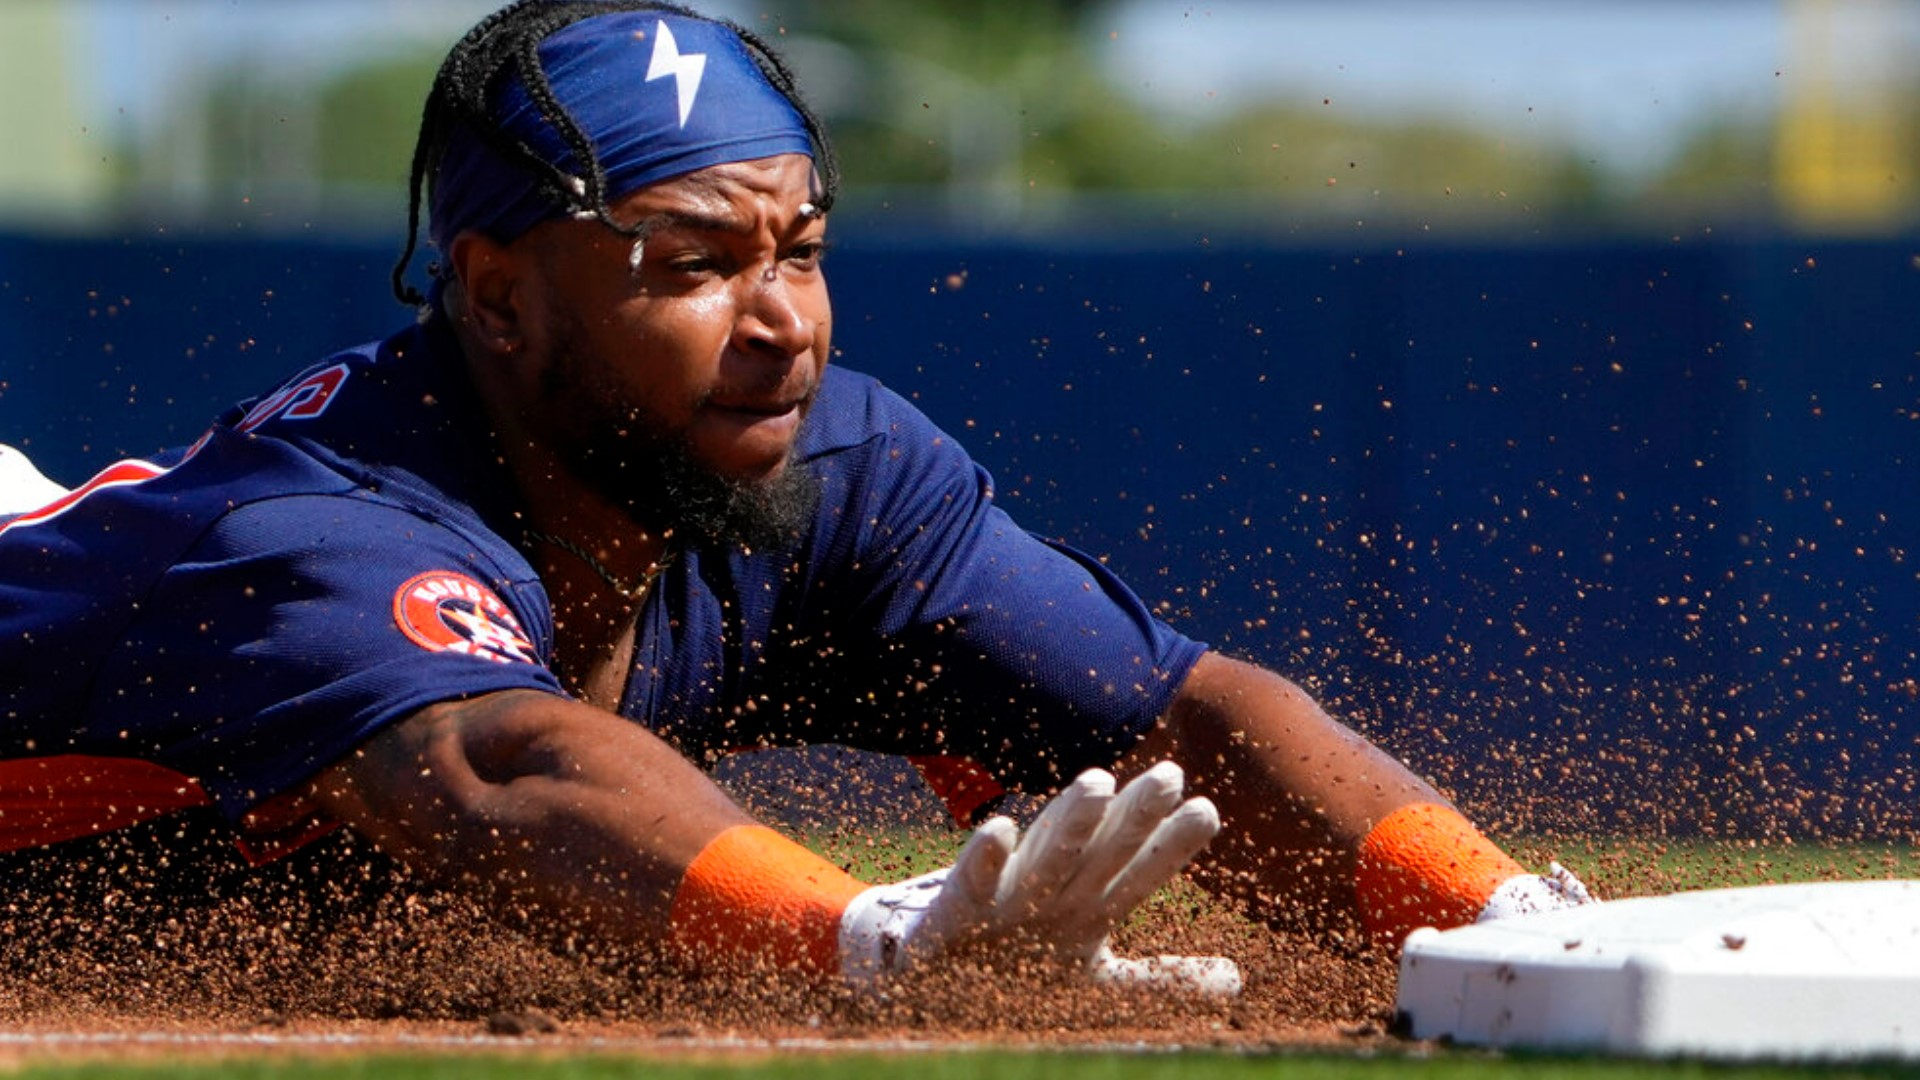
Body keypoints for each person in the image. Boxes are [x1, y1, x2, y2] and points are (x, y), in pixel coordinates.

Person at [0, 1, 1588, 997]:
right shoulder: (330, 523)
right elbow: (500, 764)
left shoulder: (835, 470)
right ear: (495, 295)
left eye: (802, 249)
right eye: (692, 263)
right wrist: (860, 942)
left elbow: (1185, 718)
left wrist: (1513, 924)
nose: (786, 324)